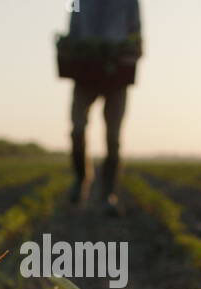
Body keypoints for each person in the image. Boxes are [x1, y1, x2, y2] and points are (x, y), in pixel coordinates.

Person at [63, 0, 141, 210]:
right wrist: (72, 48)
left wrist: (129, 51)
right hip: (84, 72)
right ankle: (81, 180)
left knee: (113, 137)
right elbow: (72, 28)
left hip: (117, 73)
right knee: (77, 129)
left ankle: (109, 193)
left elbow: (136, 31)